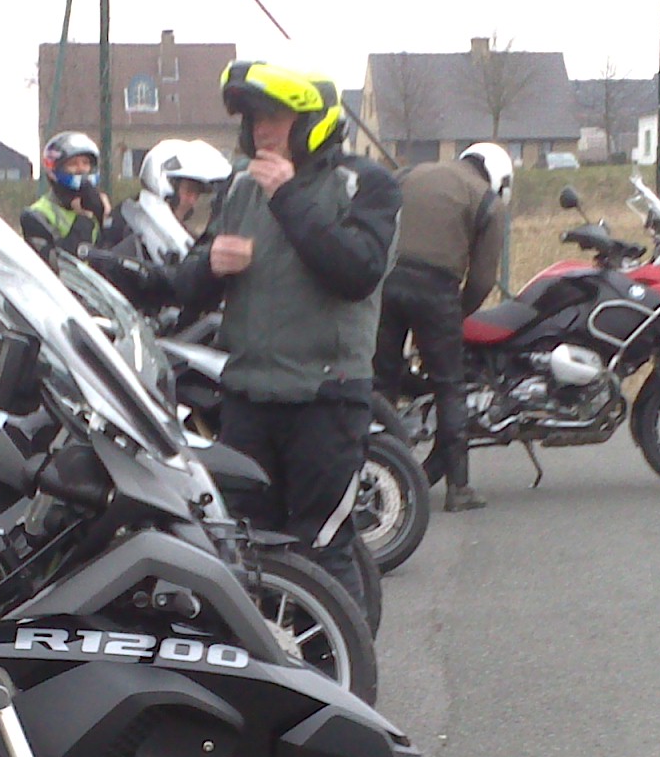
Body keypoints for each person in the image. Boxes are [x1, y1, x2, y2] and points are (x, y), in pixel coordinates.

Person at [159, 62, 399, 607]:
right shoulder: (242, 190)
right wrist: (208, 267)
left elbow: (358, 271)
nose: (260, 130)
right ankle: (269, 679)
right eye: (252, 119)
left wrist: (289, 199)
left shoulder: (364, 183)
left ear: (310, 120)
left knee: (322, 549)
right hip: (247, 399)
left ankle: (343, 685)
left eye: (273, 117)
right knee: (245, 549)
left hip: (325, 399)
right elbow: (190, 288)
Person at [379, 141, 512, 511]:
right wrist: (457, 313)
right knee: (449, 386)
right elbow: (483, 280)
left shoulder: (409, 173)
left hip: (384, 281)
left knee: (381, 382)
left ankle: (380, 473)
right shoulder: (487, 201)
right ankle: (459, 488)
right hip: (435, 290)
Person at [99, 137, 233, 264]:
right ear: (164, 186)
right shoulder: (126, 227)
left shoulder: (183, 236)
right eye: (189, 191)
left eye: (197, 193)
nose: (193, 200)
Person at [21, 130, 110, 256]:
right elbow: (61, 264)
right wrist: (84, 217)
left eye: (85, 163)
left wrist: (106, 220)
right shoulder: (36, 215)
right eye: (73, 164)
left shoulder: (98, 205)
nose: (81, 169)